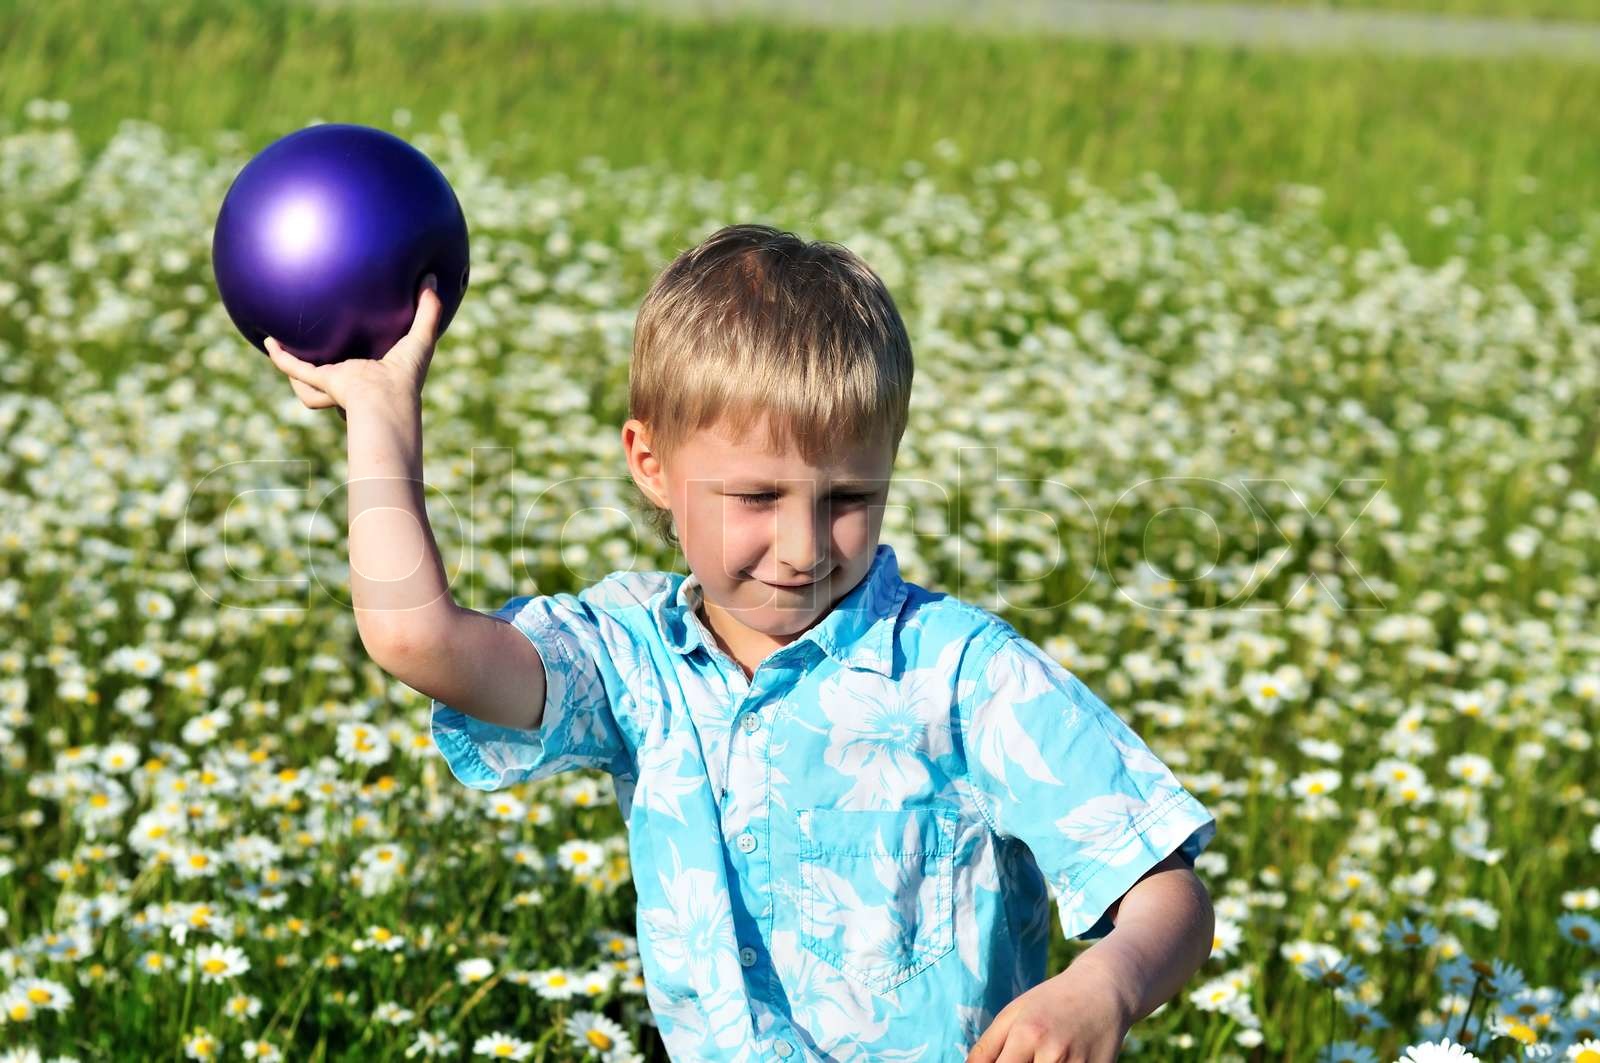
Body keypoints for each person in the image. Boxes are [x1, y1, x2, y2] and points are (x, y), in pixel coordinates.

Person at [264, 223, 1217, 1062]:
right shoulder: (632, 661)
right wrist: (383, 422)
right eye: (756, 498)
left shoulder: (961, 672)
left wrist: (1109, 982)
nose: (804, 548)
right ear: (651, 464)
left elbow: (1165, 890)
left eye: (849, 499)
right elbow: (413, 635)